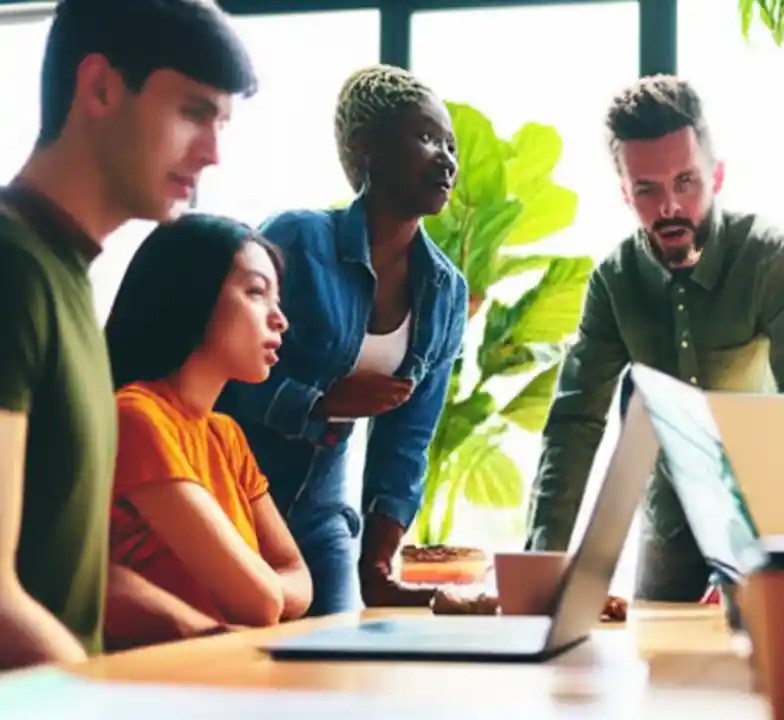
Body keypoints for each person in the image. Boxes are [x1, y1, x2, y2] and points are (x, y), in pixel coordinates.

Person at [0, 0, 255, 669]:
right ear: (100, 88)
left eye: (221, 122)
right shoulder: (11, 269)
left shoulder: (68, 275)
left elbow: (63, 565)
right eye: (194, 112)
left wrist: (211, 643)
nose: (214, 153)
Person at [524, 75, 784, 601]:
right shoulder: (614, 283)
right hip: (669, 523)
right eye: (647, 188)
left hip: (765, 522)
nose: (669, 206)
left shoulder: (777, 263)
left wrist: (754, 555)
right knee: (659, 673)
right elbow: (575, 420)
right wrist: (537, 564)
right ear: (625, 192)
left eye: (686, 181)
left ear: (717, 175)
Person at [216, 65, 468, 615]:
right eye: (426, 138)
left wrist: (378, 566)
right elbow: (228, 374)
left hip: (321, 511)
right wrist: (323, 404)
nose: (446, 158)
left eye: (450, 144)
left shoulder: (446, 290)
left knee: (334, 667)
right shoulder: (298, 239)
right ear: (367, 149)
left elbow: (408, 439)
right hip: (232, 494)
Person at [102, 215, 310, 647]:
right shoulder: (137, 416)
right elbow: (259, 603)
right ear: (191, 296)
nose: (280, 319)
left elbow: (298, 580)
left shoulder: (225, 434)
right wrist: (269, 592)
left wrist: (269, 592)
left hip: (220, 666)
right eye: (256, 292)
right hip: (151, 683)